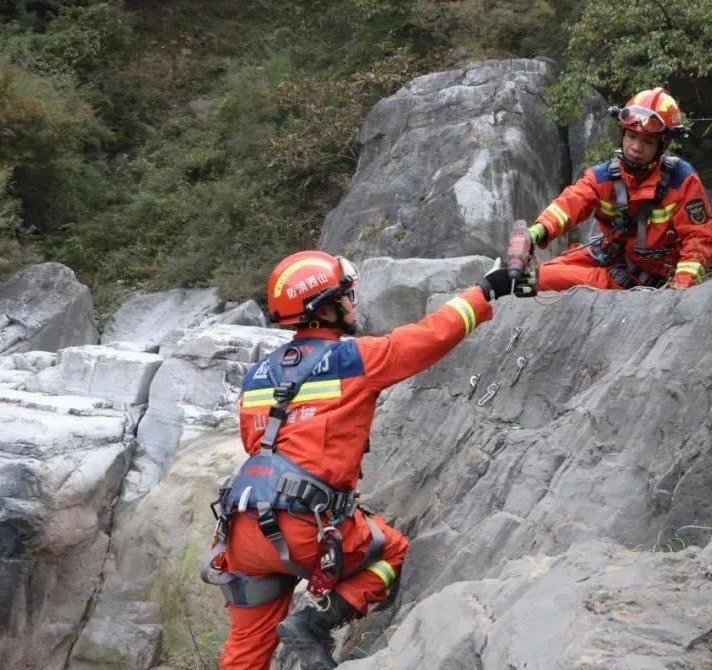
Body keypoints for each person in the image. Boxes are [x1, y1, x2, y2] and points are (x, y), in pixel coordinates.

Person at [205, 251, 515, 669]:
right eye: (347, 297)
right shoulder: (353, 360)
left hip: (243, 529)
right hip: (303, 526)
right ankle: (315, 623)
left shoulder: (257, 375)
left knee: (245, 652)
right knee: (393, 553)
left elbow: (255, 441)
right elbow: (430, 336)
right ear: (326, 307)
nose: (354, 304)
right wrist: (485, 291)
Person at [530, 87, 712, 291]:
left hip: (646, 280)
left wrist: (678, 290)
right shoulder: (604, 177)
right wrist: (537, 231)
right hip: (611, 257)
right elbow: (571, 203)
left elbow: (699, 241)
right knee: (534, 275)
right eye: (631, 136)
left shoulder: (681, 181)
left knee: (543, 279)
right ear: (622, 134)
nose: (636, 147)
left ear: (662, 146)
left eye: (647, 141)